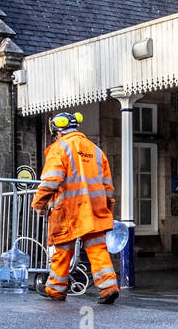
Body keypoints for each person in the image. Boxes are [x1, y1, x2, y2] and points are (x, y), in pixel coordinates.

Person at [31, 112, 119, 304]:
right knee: (97, 249)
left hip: (68, 210)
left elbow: (50, 181)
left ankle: (56, 290)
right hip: (94, 210)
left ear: (58, 132)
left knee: (62, 250)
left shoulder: (59, 149)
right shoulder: (96, 151)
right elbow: (107, 186)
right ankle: (108, 287)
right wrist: (107, 207)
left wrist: (38, 204)